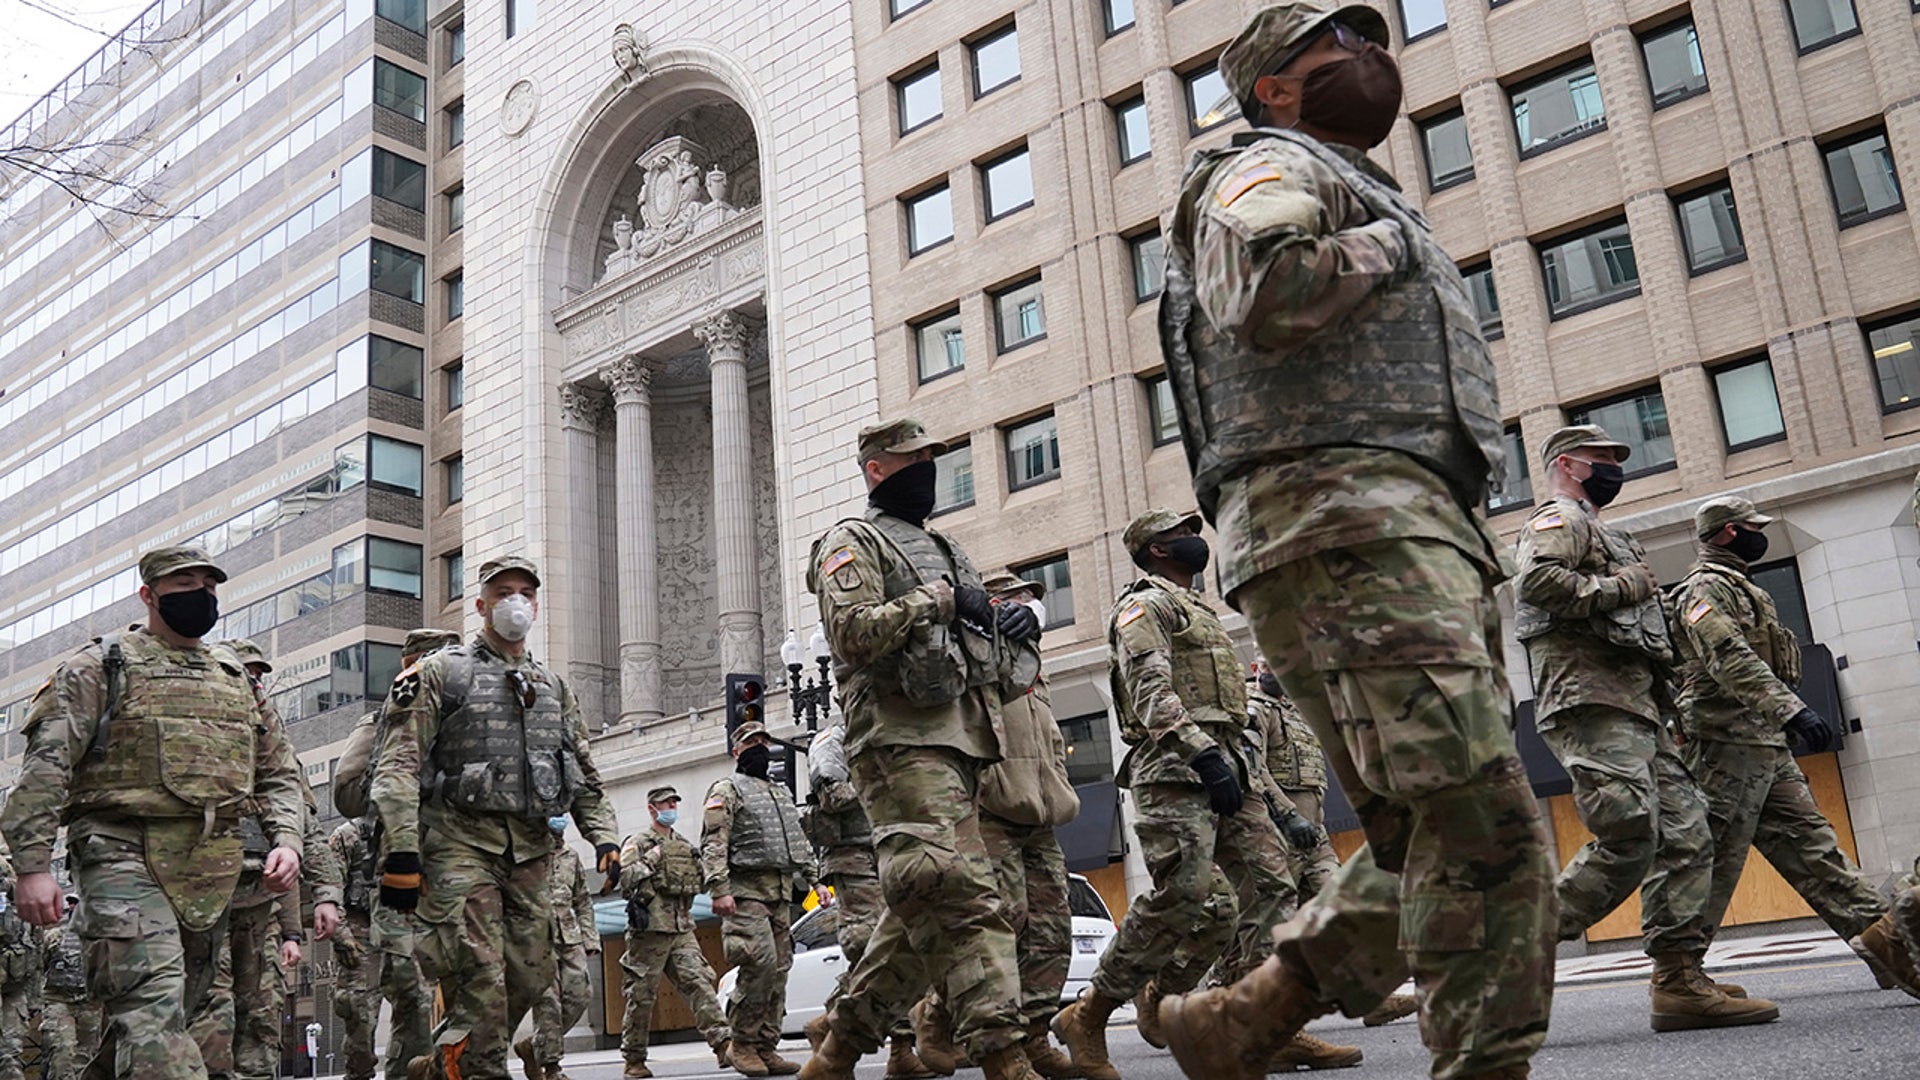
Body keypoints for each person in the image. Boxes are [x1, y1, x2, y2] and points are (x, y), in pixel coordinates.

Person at [1147, 6, 1559, 1077]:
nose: (1368, 62)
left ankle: (1247, 1016)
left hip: (1391, 527)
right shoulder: (1264, 167)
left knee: (1426, 826)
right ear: (1273, 87)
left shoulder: (1341, 175)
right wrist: (1396, 243)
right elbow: (1268, 289)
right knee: (1485, 826)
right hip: (1344, 524)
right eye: (1336, 48)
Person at [1053, 510, 1353, 1078]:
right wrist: (1200, 752)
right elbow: (1149, 688)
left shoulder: (1203, 614)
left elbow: (1231, 710)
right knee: (1190, 896)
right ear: (1157, 550)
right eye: (1182, 536)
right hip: (1173, 768)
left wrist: (1271, 797)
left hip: (1231, 767)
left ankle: (1268, 1027)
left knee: (1273, 886)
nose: (1196, 541)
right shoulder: (1145, 605)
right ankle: (1090, 1014)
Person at [1514, 428, 1778, 1031]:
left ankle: (1678, 979)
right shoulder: (1558, 518)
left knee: (1688, 836)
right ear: (1569, 465)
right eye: (1603, 460)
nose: (1613, 469)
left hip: (1637, 704)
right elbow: (1536, 583)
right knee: (1630, 832)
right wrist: (1621, 587)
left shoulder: (1606, 529)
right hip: (1589, 696)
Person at [798, 419, 1035, 1080]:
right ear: (878, 469)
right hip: (900, 743)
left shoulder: (947, 547)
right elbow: (850, 633)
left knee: (920, 906)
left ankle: (840, 1046)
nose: (929, 470)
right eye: (915, 460)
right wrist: (938, 600)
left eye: (935, 457)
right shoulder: (853, 541)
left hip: (965, 744)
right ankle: (1004, 1054)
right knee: (960, 892)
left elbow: (987, 657)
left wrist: (1003, 621)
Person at [368, 556, 622, 1080]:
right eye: (502, 591)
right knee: (482, 973)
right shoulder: (441, 673)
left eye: (525, 592)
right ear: (480, 604)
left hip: (529, 850)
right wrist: (401, 849)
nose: (515, 601)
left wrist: (604, 837)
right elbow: (397, 766)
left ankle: (442, 1065)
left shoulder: (552, 687)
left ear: (536, 604)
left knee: (532, 975)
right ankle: (483, 1070)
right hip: (458, 843)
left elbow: (583, 774)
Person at [1670, 496, 1920, 998]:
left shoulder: (1743, 588)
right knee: (1712, 861)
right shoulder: (1703, 589)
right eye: (1749, 527)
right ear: (1724, 534)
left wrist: (1783, 718)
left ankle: (1890, 946)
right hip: (1723, 745)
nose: (1757, 534)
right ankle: (1677, 975)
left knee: (1814, 848)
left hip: (1763, 742)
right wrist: (1794, 709)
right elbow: (1728, 656)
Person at [199, 640, 345, 1080]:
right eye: (245, 672)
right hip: (199, 904)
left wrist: (327, 894)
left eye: (259, 674)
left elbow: (308, 831)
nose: (254, 681)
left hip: (257, 907)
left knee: (261, 1019)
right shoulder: (197, 740)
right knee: (211, 1016)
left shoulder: (279, 760)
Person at [332, 628, 461, 1080]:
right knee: (412, 995)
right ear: (411, 665)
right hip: (404, 875)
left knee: (480, 991)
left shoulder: (470, 724)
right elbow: (346, 795)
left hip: (467, 872)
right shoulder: (380, 722)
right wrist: (396, 773)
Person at [798, 721, 933, 1080]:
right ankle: (898, 1049)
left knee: (900, 947)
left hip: (891, 851)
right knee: (870, 945)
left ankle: (829, 1022)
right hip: (854, 858)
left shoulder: (886, 733)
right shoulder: (833, 740)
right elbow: (832, 796)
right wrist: (883, 788)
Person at [701, 720, 821, 1077]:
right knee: (760, 964)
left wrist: (817, 881)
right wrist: (719, 889)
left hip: (781, 891)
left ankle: (767, 1047)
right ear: (736, 750)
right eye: (751, 742)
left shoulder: (779, 792)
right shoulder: (727, 789)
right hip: (745, 893)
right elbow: (713, 841)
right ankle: (741, 1043)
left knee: (781, 971)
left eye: (764, 742)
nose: (760, 748)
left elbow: (798, 842)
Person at [618, 786, 734, 1079]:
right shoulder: (639, 842)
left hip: (682, 927)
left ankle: (724, 1043)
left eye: (673, 802)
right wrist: (653, 859)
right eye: (665, 803)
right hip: (649, 931)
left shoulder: (683, 844)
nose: (671, 806)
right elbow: (625, 880)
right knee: (641, 996)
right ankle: (634, 1059)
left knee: (699, 982)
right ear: (651, 808)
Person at [517, 821, 601, 1080]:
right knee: (548, 1003)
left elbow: (583, 900)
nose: (559, 821)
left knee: (581, 994)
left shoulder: (571, 857)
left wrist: (590, 938)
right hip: (537, 940)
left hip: (569, 937)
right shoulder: (525, 855)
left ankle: (533, 1045)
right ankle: (552, 1068)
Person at [39, 898, 101, 1080]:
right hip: (59, 1001)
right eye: (72, 903)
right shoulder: (55, 936)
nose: (74, 907)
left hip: (90, 1005)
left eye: (79, 903)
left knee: (86, 1057)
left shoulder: (101, 939)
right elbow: (40, 966)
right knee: (62, 1053)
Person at [0, 843, 44, 1080]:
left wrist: (34, 998)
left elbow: (37, 956)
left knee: (11, 1052)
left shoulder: (26, 908)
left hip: (15, 986)